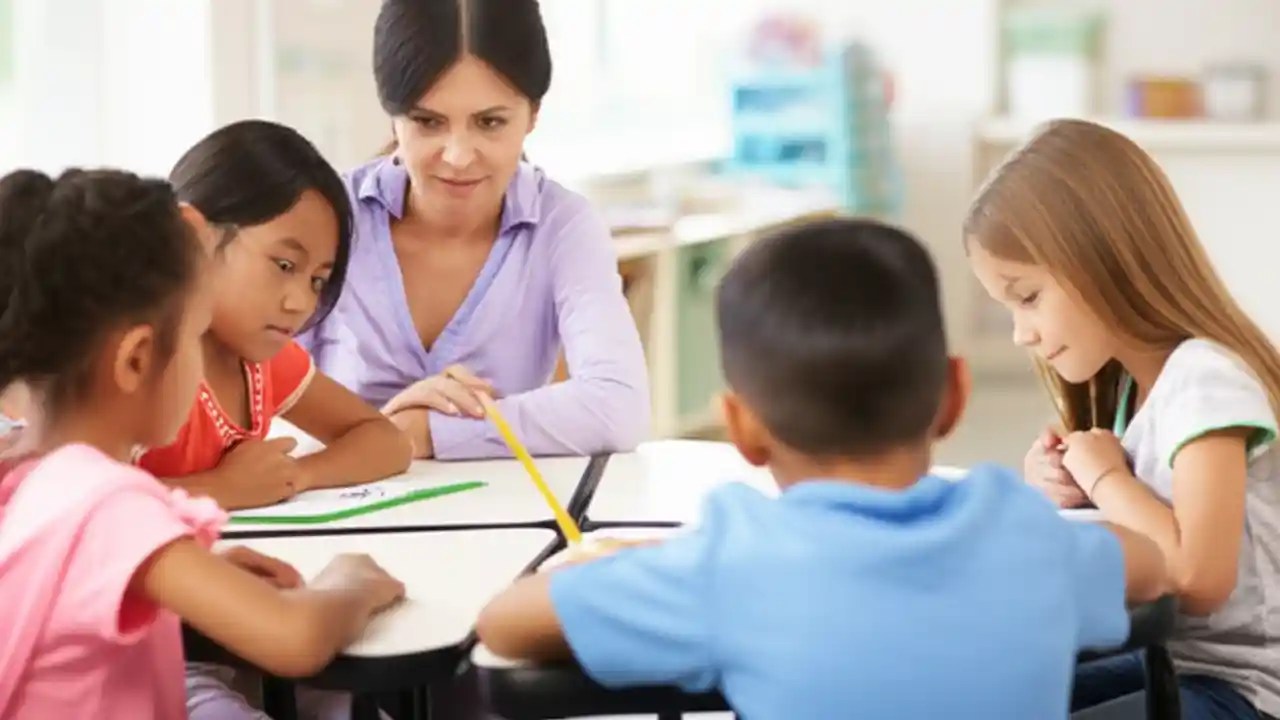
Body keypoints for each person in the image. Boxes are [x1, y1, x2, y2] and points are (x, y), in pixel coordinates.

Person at [475, 218, 1169, 718]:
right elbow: (1145, 564)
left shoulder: (728, 565)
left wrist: (651, 559)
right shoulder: (1025, 534)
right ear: (954, 396)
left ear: (742, 426)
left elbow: (503, 623)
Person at [0, 168, 403, 719]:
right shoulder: (107, 502)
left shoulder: (26, 477)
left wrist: (196, 576)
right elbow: (294, 638)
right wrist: (350, 582)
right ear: (137, 359)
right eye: (194, 337)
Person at [966, 117, 1280, 719]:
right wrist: (1071, 488)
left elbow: (1197, 578)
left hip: (1245, 693)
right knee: (997, 687)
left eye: (1027, 297)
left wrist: (1109, 480)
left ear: (1102, 260)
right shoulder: (1136, 394)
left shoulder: (1206, 379)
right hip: (1179, 663)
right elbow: (1147, 532)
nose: (1019, 332)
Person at [297, 0, 649, 460]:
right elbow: (256, 400)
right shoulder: (327, 216)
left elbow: (619, 408)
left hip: (509, 520)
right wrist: (383, 437)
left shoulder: (564, 227)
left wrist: (426, 431)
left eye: (490, 122)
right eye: (428, 122)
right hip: (334, 514)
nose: (459, 155)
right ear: (393, 115)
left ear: (533, 114)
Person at [138, 120, 413, 512]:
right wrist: (219, 488)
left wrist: (296, 475)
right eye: (284, 265)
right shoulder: (140, 361)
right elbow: (72, 502)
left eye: (318, 281)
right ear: (194, 234)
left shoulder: (261, 365)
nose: (301, 303)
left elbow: (386, 441)